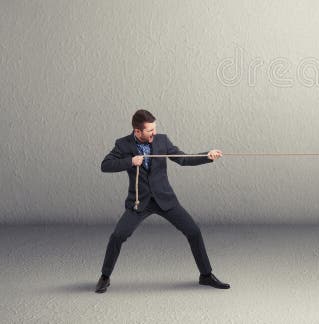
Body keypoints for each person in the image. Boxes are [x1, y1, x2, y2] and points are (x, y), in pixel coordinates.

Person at [95, 109, 229, 293]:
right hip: (139, 202)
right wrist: (130, 161)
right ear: (137, 131)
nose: (154, 133)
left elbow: (183, 159)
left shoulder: (162, 140)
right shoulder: (123, 145)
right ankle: (104, 277)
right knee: (118, 236)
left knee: (194, 232)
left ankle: (206, 275)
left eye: (154, 128)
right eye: (150, 130)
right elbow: (105, 165)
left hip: (165, 199)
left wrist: (207, 156)